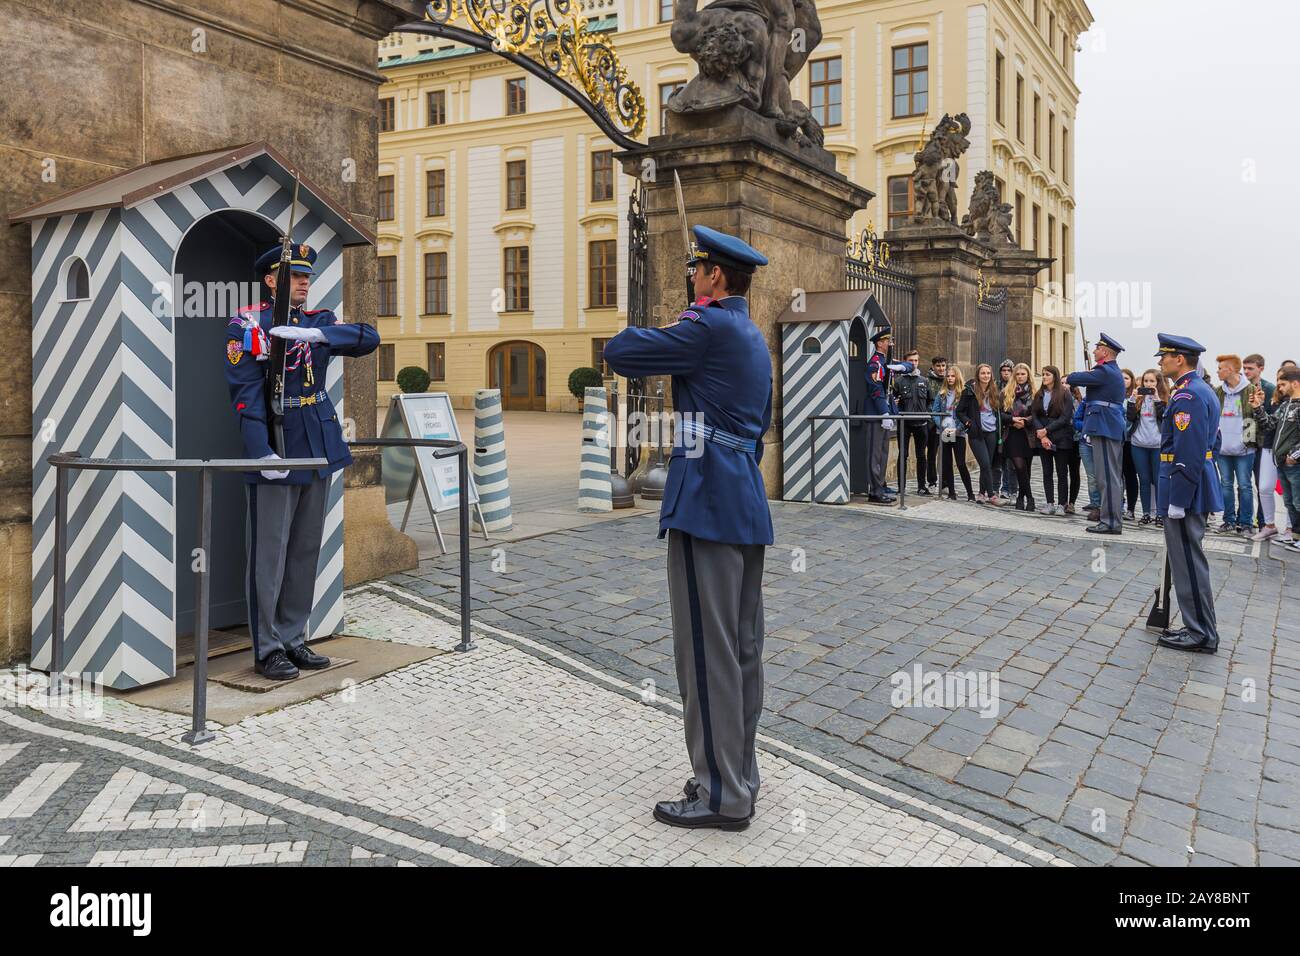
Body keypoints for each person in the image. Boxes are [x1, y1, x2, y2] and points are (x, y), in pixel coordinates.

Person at [602, 224, 771, 831]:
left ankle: (721, 794)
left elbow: (621, 351)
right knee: (741, 648)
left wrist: (681, 322)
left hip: (705, 499)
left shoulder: (706, 327)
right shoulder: (749, 333)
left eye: (696, 269)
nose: (691, 276)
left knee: (705, 651)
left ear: (716, 277)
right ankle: (738, 773)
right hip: (744, 501)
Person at [224, 244, 380, 680]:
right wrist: (260, 451)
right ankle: (268, 647)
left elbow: (370, 337)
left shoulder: (320, 322)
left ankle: (294, 638)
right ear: (271, 281)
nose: (304, 282)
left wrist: (320, 337)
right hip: (277, 442)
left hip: (317, 444)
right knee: (269, 554)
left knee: (305, 549)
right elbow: (243, 393)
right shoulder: (248, 324)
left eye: (307, 275)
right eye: (294, 275)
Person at [1153, 334, 1221, 653]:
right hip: (1192, 482)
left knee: (1188, 563)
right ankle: (1200, 627)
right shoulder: (1198, 390)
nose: (1160, 361)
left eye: (1164, 356)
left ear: (1180, 359)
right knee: (1189, 560)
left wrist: (1178, 499)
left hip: (1185, 488)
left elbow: (1188, 451)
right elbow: (1212, 443)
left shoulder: (1188, 397)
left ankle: (1200, 633)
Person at [1065, 333, 1127, 534]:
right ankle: (1110, 520)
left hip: (1105, 427)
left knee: (1107, 478)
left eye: (1097, 349)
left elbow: (1076, 379)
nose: (1094, 351)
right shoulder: (1107, 371)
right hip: (1105, 426)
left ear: (1106, 352)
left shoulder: (1105, 371)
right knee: (1107, 477)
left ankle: (1110, 522)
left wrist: (1069, 377)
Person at [863, 324, 914, 504]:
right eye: (887, 340)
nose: (890, 343)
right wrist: (884, 413)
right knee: (875, 454)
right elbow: (876, 390)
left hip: (885, 412)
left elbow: (910, 366)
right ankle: (874, 491)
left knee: (883, 453)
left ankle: (881, 486)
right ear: (879, 343)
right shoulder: (875, 364)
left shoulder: (886, 362)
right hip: (877, 414)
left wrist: (899, 367)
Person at [1251, 366, 1300, 549]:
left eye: (1283, 384)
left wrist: (1294, 456)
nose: (1279, 387)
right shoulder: (1286, 405)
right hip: (1282, 462)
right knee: (1290, 502)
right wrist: (1257, 408)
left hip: (1294, 464)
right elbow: (1269, 424)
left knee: (1298, 501)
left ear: (1295, 383)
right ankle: (1294, 535)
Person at [1213, 354, 1257, 535]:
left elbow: (1255, 417)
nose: (1217, 371)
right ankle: (1228, 520)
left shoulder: (1251, 390)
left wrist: (1249, 441)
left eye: (1220, 368)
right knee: (1225, 485)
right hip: (1223, 448)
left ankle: (1245, 522)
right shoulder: (1218, 391)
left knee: (1245, 486)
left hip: (1244, 448)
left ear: (1230, 370)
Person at [957, 363, 1004, 504]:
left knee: (987, 465)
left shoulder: (995, 391)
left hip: (991, 432)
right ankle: (992, 495)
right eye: (983, 373)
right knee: (984, 463)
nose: (986, 376)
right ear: (978, 375)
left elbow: (998, 412)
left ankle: (981, 494)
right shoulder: (969, 391)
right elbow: (959, 411)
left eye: (988, 373)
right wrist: (968, 423)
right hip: (976, 433)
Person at [1127, 369, 1169, 526]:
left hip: (1157, 445)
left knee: (1159, 480)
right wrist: (1132, 398)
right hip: (1138, 444)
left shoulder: (1164, 399)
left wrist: (1157, 399)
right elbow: (1130, 417)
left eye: (1152, 381)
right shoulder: (1139, 399)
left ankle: (1160, 514)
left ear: (1158, 383)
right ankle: (1146, 513)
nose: (1148, 384)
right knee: (1144, 480)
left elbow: (1163, 416)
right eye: (1146, 381)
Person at [1032, 365, 1075, 516]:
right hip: (1043, 438)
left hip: (1060, 438)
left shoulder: (1064, 393)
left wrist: (1047, 430)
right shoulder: (1039, 394)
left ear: (1055, 377)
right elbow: (1035, 415)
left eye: (1047, 374)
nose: (1044, 377)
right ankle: (1049, 502)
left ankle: (1062, 504)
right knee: (1047, 472)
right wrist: (1042, 434)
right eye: (1043, 374)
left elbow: (1065, 417)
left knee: (1062, 472)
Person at [1242, 354, 1276, 534]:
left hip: (1263, 443)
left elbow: (1271, 417)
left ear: (1261, 368)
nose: (1246, 371)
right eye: (1244, 368)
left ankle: (1263, 521)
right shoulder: (1242, 388)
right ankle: (1244, 518)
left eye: (1250, 368)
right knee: (1243, 482)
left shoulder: (1270, 388)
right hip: (1247, 441)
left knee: (1261, 484)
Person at [893, 349, 934, 495]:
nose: (914, 363)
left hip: (921, 423)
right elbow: (893, 400)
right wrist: (896, 404)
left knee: (921, 455)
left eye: (916, 360)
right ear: (905, 362)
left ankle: (922, 486)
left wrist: (927, 414)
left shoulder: (924, 381)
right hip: (904, 423)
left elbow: (931, 400)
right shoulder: (898, 381)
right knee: (903, 455)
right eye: (911, 361)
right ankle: (901, 488)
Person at [932, 365, 974, 500]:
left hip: (958, 431)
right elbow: (935, 412)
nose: (950, 378)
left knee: (961, 463)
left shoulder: (964, 393)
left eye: (952, 376)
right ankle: (951, 492)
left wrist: (959, 428)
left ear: (957, 377)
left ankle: (970, 493)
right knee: (947, 463)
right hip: (945, 431)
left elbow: (967, 414)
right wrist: (942, 427)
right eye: (948, 376)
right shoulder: (942, 393)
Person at [1002, 362, 1038, 512]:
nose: (1020, 377)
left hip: (1028, 434)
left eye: (1023, 374)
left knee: (1027, 469)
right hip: (1012, 434)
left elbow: (1038, 414)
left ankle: (1020, 497)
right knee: (1019, 467)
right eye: (1017, 374)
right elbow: (999, 414)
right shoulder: (1006, 392)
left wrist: (1025, 421)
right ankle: (1030, 498)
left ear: (1028, 375)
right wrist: (1012, 420)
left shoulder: (1036, 393)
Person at [925, 356, 948, 491]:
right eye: (938, 366)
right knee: (932, 452)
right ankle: (932, 481)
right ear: (933, 366)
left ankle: (945, 482)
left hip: (948, 423)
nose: (941, 369)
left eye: (943, 366)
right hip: (932, 423)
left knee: (946, 452)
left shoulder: (949, 380)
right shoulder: (927, 381)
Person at [997, 359, 1019, 501]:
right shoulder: (996, 386)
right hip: (999, 426)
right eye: (1003, 371)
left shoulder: (1016, 387)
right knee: (1002, 461)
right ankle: (1004, 488)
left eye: (1008, 371)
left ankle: (1013, 489)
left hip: (1012, 427)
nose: (1006, 373)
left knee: (1013, 462)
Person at [1120, 368, 1140, 522]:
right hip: (1115, 440)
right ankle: (1118, 504)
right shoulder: (1113, 395)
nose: (1123, 380)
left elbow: (1134, 418)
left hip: (1130, 440)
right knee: (1116, 475)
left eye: (1126, 378)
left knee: (1130, 475)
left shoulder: (1135, 397)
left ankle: (1131, 509)